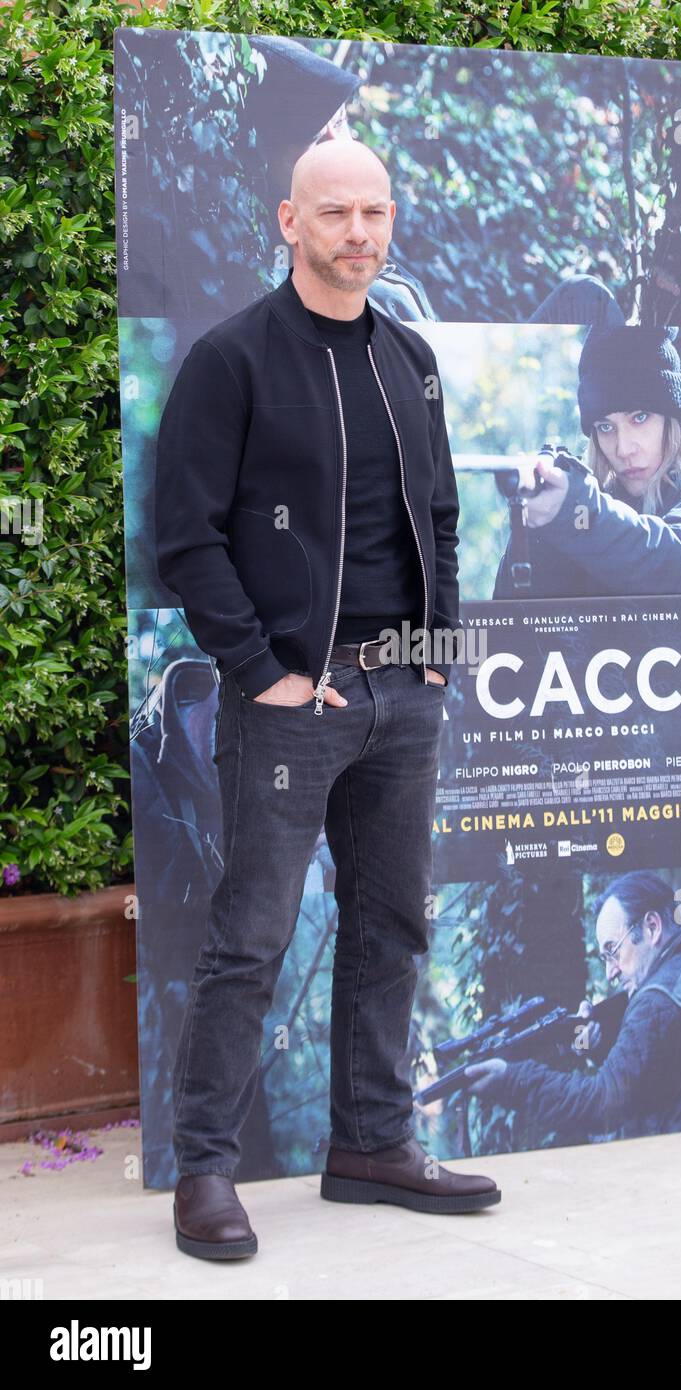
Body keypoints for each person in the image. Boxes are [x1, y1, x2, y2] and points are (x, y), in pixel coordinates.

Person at [155, 137, 500, 1261]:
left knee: (393, 924)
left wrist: (435, 651)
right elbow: (187, 540)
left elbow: (439, 517)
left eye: (375, 212)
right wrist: (263, 672)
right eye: (335, 213)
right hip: (291, 703)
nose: (359, 232)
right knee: (249, 939)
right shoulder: (231, 359)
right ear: (286, 221)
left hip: (403, 693)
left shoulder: (409, 358)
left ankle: (370, 1144)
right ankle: (204, 1169)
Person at [466, 871, 681, 1141]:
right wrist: (595, 1045)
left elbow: (601, 1104)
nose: (610, 973)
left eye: (613, 951)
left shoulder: (656, 1005)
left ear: (652, 927)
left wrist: (511, 1079)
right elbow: (665, 1067)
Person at [492, 326, 681, 599]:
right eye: (605, 427)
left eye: (639, 417)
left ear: (671, 417)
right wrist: (541, 527)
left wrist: (578, 513)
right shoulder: (604, 500)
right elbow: (519, 620)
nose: (623, 448)